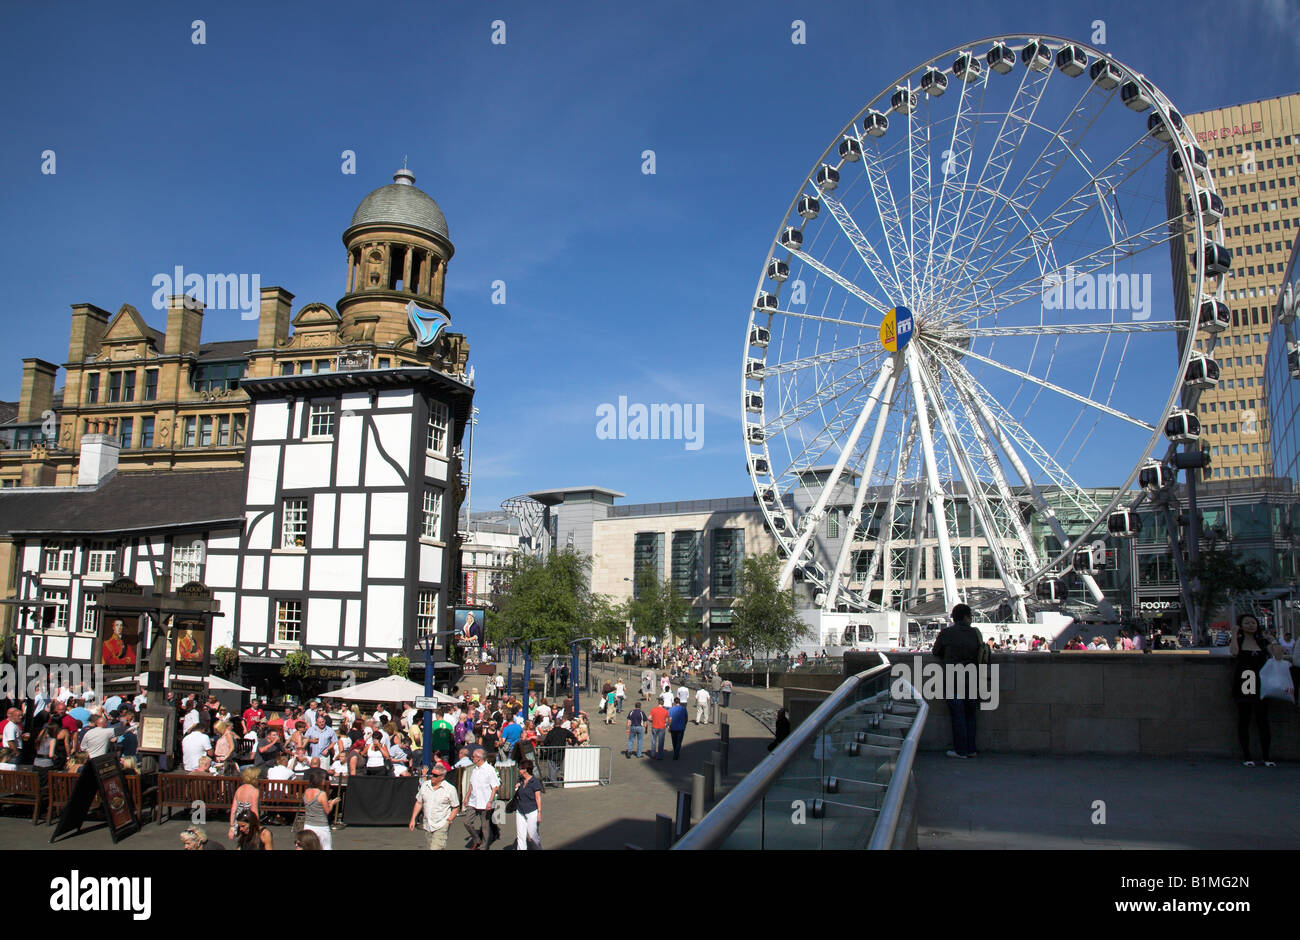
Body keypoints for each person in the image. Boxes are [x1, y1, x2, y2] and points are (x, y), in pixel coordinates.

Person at [932, 603, 982, 759]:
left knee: (958, 714)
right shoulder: (975, 633)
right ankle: (971, 748)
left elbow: (935, 651)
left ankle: (961, 750)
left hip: (954, 677)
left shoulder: (946, 633)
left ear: (954, 617)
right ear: (967, 617)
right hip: (972, 677)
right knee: (970, 714)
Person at [1230, 612, 1275, 766]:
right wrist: (1234, 634)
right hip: (1245, 682)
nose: (1251, 625)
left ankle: (1267, 756)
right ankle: (1247, 756)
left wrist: (1272, 640)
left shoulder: (1262, 642)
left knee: (1263, 720)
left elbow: (1277, 654)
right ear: (1241, 626)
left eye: (1253, 623)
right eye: (1247, 623)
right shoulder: (1240, 640)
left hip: (1261, 683)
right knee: (1245, 719)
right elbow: (1234, 652)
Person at [410, 764, 460, 850]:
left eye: (435, 775)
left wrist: (448, 821)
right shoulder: (425, 785)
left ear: (442, 777)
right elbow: (419, 803)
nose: (432, 776)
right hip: (428, 824)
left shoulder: (450, 789)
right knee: (433, 847)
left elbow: (455, 807)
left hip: (441, 824)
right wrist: (413, 819)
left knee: (435, 848)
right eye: (432, 774)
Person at [461, 748, 500, 850]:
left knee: (485, 827)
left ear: (479, 758)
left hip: (485, 802)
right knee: (467, 822)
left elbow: (495, 787)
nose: (471, 758)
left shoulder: (489, 770)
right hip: (473, 801)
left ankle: (484, 846)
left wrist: (490, 801)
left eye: (473, 757)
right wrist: (466, 796)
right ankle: (477, 839)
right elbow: (471, 784)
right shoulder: (474, 769)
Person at [301, 769, 340, 849]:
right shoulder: (321, 794)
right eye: (323, 779)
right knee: (325, 847)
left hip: (308, 825)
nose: (324, 780)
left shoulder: (306, 792)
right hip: (321, 826)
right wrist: (332, 803)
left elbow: (314, 806)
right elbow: (327, 811)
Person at [513, 758, 543, 850]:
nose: (519, 770)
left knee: (533, 836)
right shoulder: (521, 780)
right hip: (520, 811)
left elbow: (538, 798)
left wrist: (539, 812)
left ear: (525, 770)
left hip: (532, 811)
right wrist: (517, 787)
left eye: (520, 768)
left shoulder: (535, 782)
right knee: (521, 836)